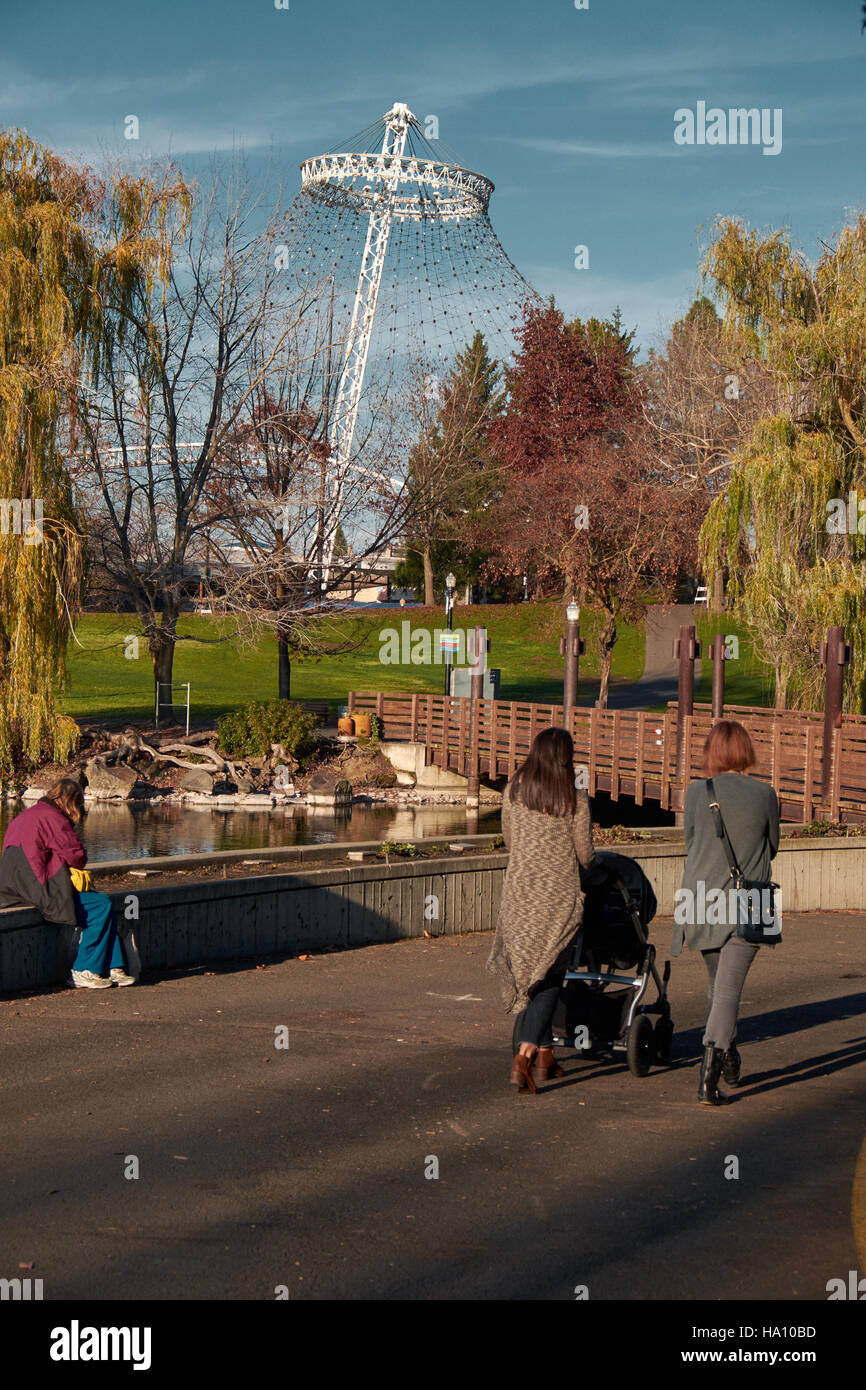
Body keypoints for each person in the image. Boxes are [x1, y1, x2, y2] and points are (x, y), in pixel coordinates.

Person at [673, 720, 780, 1105]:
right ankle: (709, 1076)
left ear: (711, 753)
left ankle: (729, 1053)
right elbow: (773, 846)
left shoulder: (696, 792)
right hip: (745, 904)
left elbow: (690, 842)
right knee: (728, 991)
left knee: (719, 988)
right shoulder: (765, 794)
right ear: (746, 752)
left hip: (699, 901)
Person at [486, 727, 596, 1093]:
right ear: (566, 758)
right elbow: (585, 856)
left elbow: (511, 841)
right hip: (558, 901)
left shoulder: (513, 792)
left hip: (519, 897)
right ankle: (525, 1054)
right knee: (548, 979)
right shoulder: (574, 800)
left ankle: (547, 1054)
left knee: (528, 975)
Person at [0, 778, 136, 989]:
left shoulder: (27, 815)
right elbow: (77, 856)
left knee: (98, 901)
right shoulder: (54, 818)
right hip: (37, 889)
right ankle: (84, 969)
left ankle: (112, 965)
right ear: (72, 802)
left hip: (11, 889)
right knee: (99, 905)